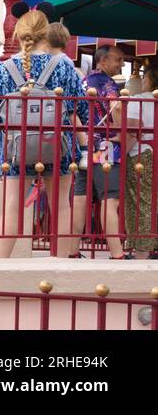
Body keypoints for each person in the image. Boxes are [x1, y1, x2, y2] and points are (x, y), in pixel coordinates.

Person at [0, 7, 86, 259]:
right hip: (58, 145)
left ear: (19, 34)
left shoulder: (2, 69)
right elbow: (82, 108)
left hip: (15, 149)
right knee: (61, 206)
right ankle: (60, 265)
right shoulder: (63, 66)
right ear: (46, 33)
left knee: (11, 206)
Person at [72, 45, 130, 259]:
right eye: (118, 59)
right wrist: (119, 134)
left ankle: (72, 251)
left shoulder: (83, 82)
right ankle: (117, 254)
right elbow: (117, 109)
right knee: (109, 199)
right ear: (103, 60)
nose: (122, 64)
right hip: (105, 148)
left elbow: (73, 113)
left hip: (85, 148)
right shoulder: (107, 83)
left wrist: (85, 139)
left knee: (80, 198)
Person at [125, 63, 158, 258]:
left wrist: (122, 155)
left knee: (141, 201)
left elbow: (132, 130)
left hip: (143, 152)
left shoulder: (139, 101)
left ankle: (142, 250)